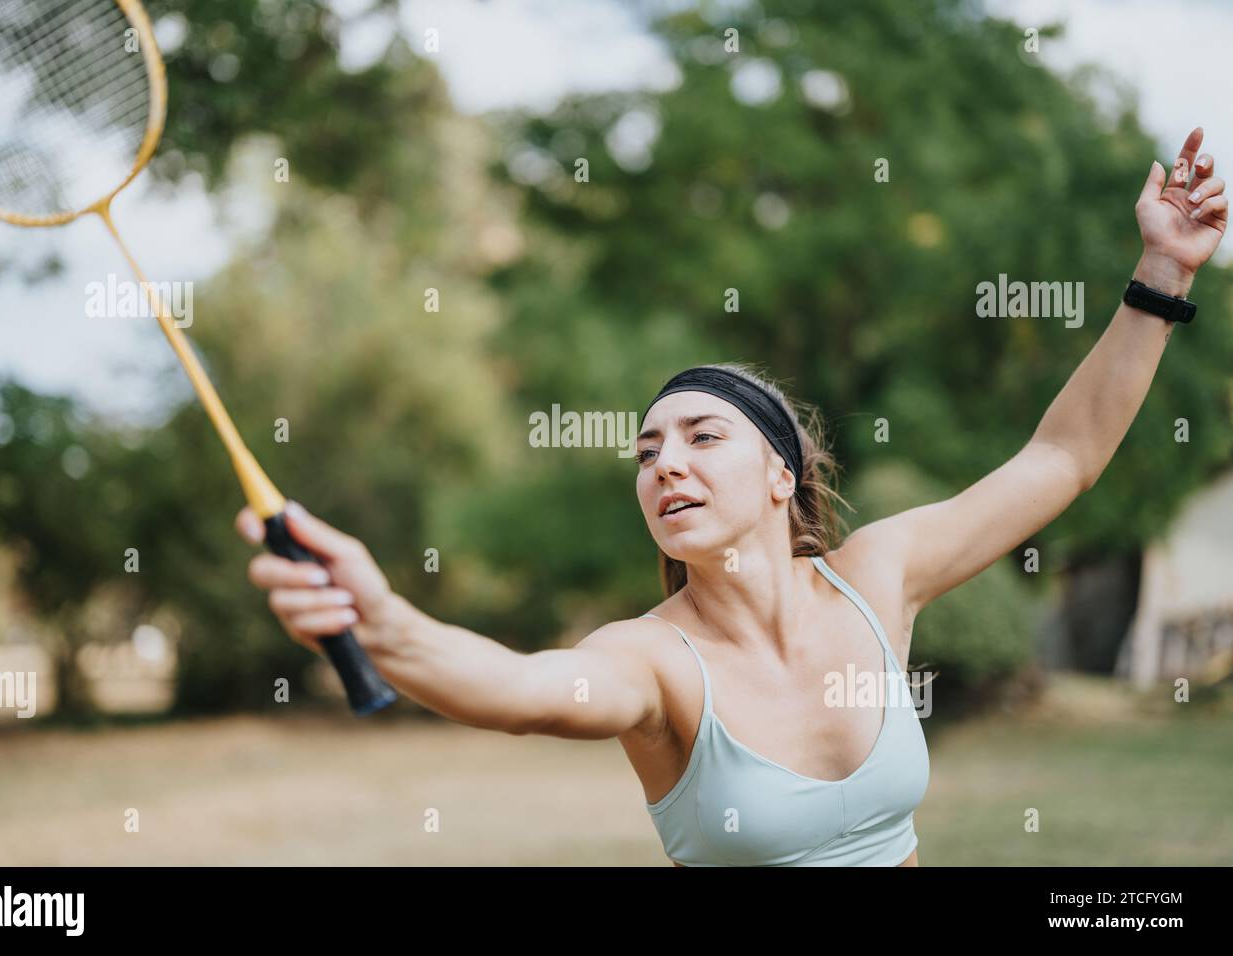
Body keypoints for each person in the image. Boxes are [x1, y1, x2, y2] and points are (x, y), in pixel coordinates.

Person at [235, 127, 1226, 866]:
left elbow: (1060, 458)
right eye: (646, 450)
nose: (665, 462)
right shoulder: (651, 662)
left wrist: (1158, 272)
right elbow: (526, 691)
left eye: (704, 438)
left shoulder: (875, 577)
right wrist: (386, 621)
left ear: (779, 474)